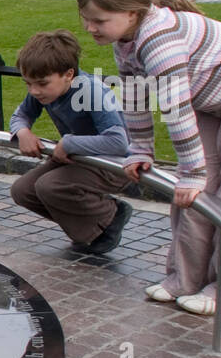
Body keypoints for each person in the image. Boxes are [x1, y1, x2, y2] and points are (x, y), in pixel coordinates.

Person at [77, 0, 221, 316]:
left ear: (132, 12)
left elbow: (176, 111)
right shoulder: (126, 40)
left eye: (99, 20)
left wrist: (192, 171)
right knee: (191, 196)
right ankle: (185, 279)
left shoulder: (159, 41)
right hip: (213, 96)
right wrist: (140, 150)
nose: (89, 27)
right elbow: (135, 98)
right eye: (86, 18)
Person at [8, 30, 133, 254]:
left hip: (113, 164)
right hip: (77, 157)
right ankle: (93, 226)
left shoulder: (91, 91)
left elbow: (118, 142)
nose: (34, 91)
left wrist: (70, 143)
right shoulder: (44, 92)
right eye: (28, 84)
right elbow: (20, 116)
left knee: (50, 187)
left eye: (42, 83)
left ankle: (111, 216)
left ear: (68, 74)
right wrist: (23, 132)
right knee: (23, 190)